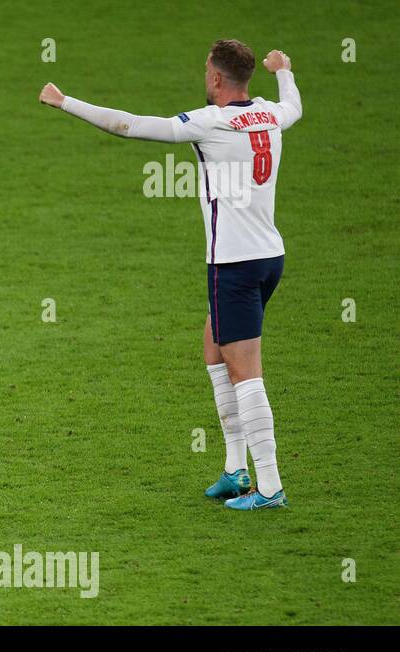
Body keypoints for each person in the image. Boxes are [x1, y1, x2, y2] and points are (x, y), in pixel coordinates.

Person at [39, 40, 301, 510]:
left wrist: (65, 102)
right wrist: (284, 70)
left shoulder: (211, 122)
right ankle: (235, 468)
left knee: (247, 374)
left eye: (206, 70)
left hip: (234, 266)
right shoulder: (268, 113)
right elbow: (293, 106)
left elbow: (130, 125)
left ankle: (269, 487)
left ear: (217, 79)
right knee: (213, 348)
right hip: (268, 257)